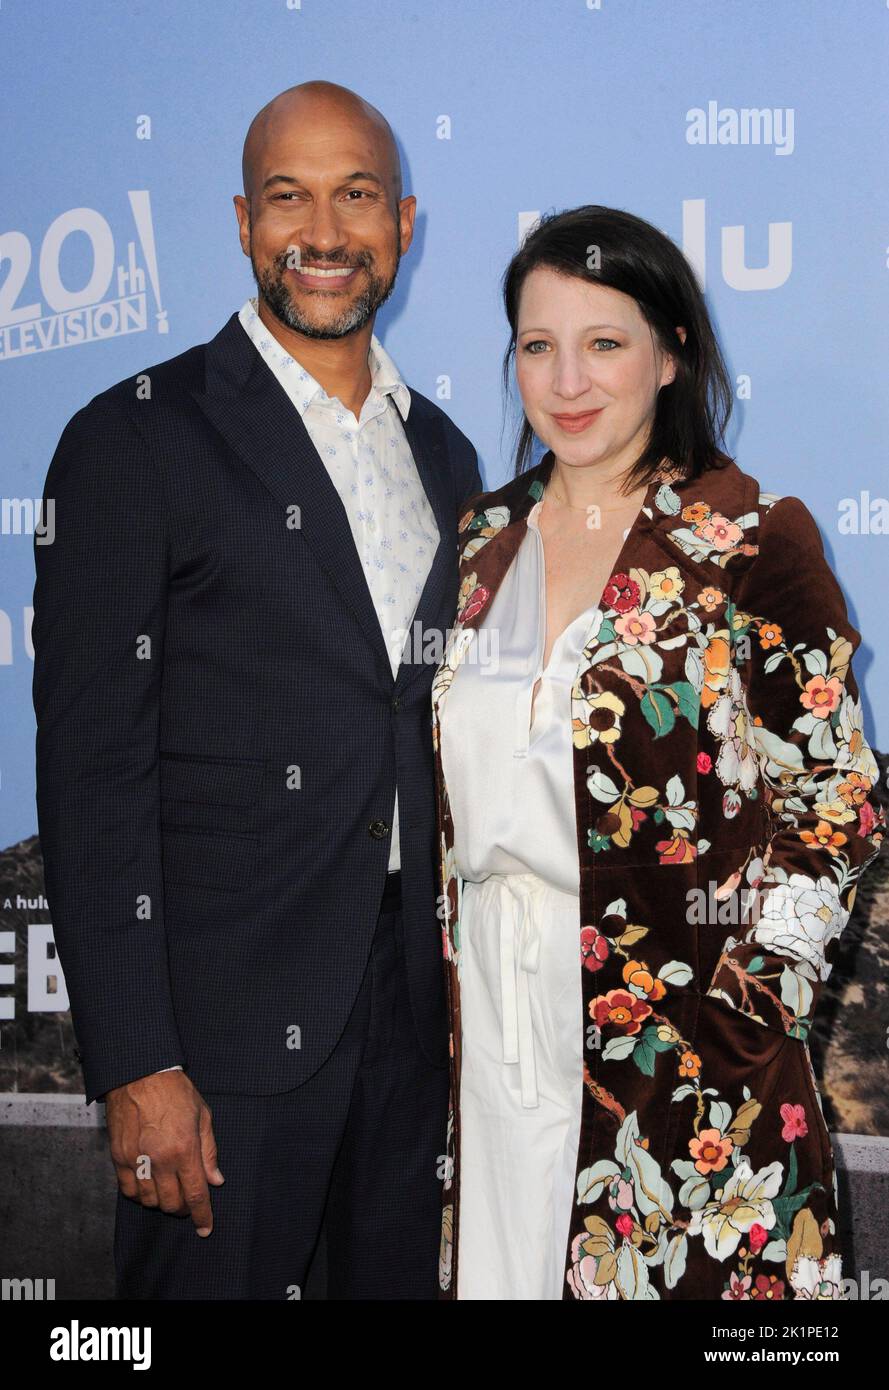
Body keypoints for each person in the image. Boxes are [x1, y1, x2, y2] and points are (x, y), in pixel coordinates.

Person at [32, 80, 481, 1300]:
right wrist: (137, 1062)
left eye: (357, 196)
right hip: (217, 1044)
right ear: (241, 220)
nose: (324, 232)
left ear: (404, 221)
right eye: (289, 196)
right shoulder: (133, 436)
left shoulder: (445, 454)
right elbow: (90, 770)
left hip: (410, 1032)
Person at [431, 205, 885, 1300]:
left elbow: (837, 804)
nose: (567, 380)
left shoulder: (749, 537)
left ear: (672, 352)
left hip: (677, 1042)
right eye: (538, 346)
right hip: (491, 1023)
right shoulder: (478, 543)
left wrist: (751, 1003)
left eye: (604, 343)